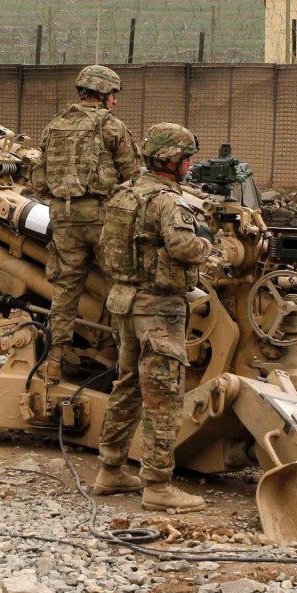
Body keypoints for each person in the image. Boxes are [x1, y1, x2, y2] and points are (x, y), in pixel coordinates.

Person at [92, 123, 212, 512]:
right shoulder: (167, 201)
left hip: (124, 301)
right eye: (186, 157)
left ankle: (110, 469)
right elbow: (181, 246)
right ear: (171, 160)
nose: (190, 164)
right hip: (158, 307)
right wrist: (208, 244)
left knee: (127, 385)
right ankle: (158, 485)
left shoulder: (124, 194)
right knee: (164, 394)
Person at [31, 64, 141, 382]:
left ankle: (53, 361)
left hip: (63, 220)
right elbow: (133, 178)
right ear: (101, 94)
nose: (115, 102)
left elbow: (38, 181)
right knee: (118, 290)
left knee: (65, 294)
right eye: (113, 95)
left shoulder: (53, 127)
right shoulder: (112, 127)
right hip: (103, 220)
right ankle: (124, 363)